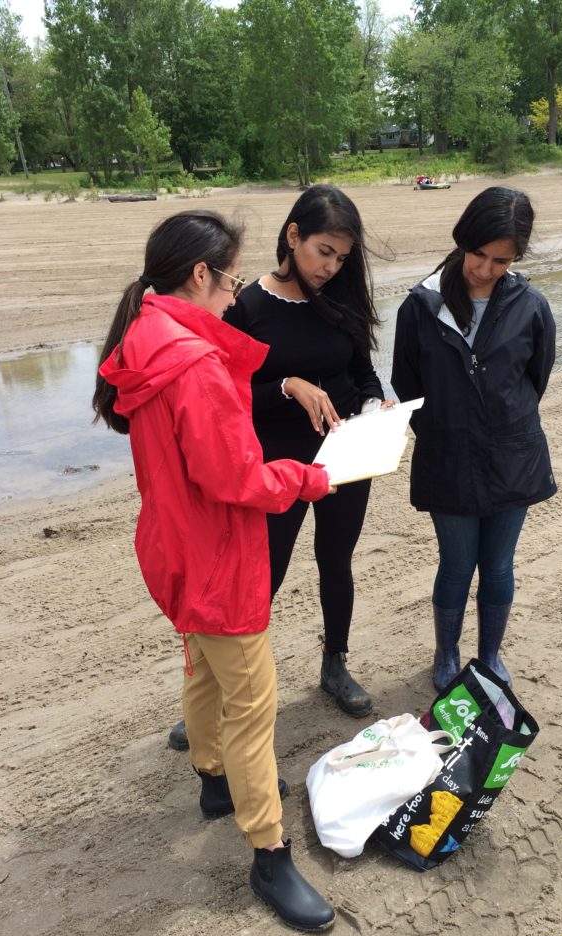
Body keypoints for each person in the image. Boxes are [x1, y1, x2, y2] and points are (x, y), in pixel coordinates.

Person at [92, 209, 335, 932]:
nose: (235, 296)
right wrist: (311, 478)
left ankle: (210, 777)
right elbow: (237, 479)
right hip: (217, 556)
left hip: (172, 547)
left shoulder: (146, 335)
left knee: (202, 667)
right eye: (230, 281)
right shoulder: (193, 363)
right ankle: (269, 850)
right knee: (253, 705)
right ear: (200, 274)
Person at [167, 185, 390, 752]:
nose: (331, 267)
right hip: (274, 467)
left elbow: (362, 376)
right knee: (257, 579)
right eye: (323, 252)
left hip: (343, 460)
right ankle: (213, 691)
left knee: (335, 562)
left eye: (342, 257)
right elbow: (229, 394)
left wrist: (373, 408)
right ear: (293, 236)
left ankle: (334, 665)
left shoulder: (340, 301)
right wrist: (289, 387)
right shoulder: (244, 307)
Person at [391, 186, 556, 691]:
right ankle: (447, 656)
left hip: (514, 457)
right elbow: (406, 382)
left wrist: (502, 426)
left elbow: (537, 376)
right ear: (463, 240)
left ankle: (489, 655)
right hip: (447, 458)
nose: (484, 269)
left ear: (516, 258)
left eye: (501, 261)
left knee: (499, 564)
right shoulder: (420, 307)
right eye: (478, 254)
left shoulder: (531, 305)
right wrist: (444, 433)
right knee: (457, 564)